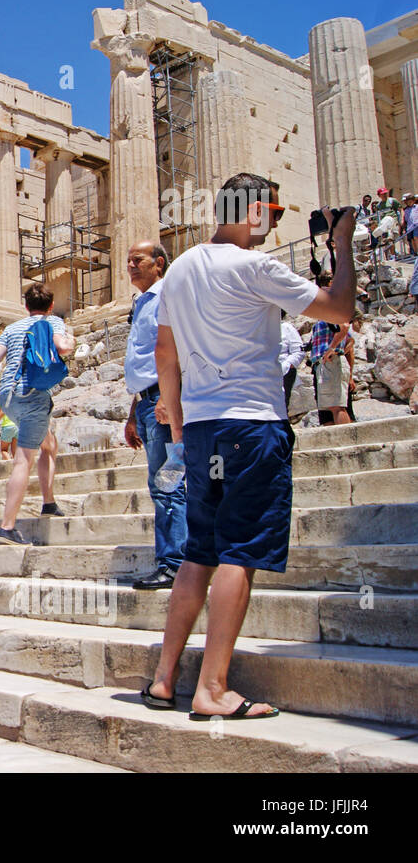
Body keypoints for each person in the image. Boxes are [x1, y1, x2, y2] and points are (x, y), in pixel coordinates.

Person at [145, 172, 357, 719]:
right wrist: (342, 245)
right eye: (277, 212)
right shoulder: (254, 266)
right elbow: (338, 308)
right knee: (241, 551)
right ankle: (212, 688)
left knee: (199, 551)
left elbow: (164, 352)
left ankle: (164, 679)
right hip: (250, 426)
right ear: (254, 209)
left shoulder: (182, 267)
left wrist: (176, 425)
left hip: (202, 430)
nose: (278, 223)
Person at [0, 283, 75, 545]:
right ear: (51, 305)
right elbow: (63, 348)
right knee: (23, 459)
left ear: (26, 306)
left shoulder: (11, 329)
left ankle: (49, 502)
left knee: (49, 444)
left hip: (8, 397)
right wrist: (71, 340)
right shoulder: (53, 321)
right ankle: (7, 527)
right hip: (33, 395)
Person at [121, 241, 188, 590]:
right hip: (147, 402)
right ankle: (176, 560)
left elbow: (180, 346)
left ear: (158, 263)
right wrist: (134, 412)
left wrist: (167, 397)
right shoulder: (142, 302)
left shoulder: (168, 295)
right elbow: (145, 361)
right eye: (128, 261)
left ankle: (175, 565)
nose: (130, 265)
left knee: (169, 484)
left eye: (138, 260)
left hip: (164, 401)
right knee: (161, 484)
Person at [309, 316, 350, 426]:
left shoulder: (331, 314)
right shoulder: (324, 319)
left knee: (336, 405)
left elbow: (345, 327)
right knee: (329, 408)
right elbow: (350, 339)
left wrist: (332, 349)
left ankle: (346, 440)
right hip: (324, 364)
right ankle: (338, 441)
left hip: (330, 362)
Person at [278, 312, 305, 409]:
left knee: (281, 407)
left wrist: (287, 366)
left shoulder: (286, 328)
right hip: (263, 375)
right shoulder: (259, 329)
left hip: (283, 373)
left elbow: (298, 351)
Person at [402, 192, 418, 257]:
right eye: (408, 201)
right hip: (410, 227)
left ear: (413, 201)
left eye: (411, 201)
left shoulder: (417, 207)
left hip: (416, 225)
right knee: (412, 239)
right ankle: (415, 251)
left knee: (416, 237)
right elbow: (406, 219)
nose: (410, 203)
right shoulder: (406, 210)